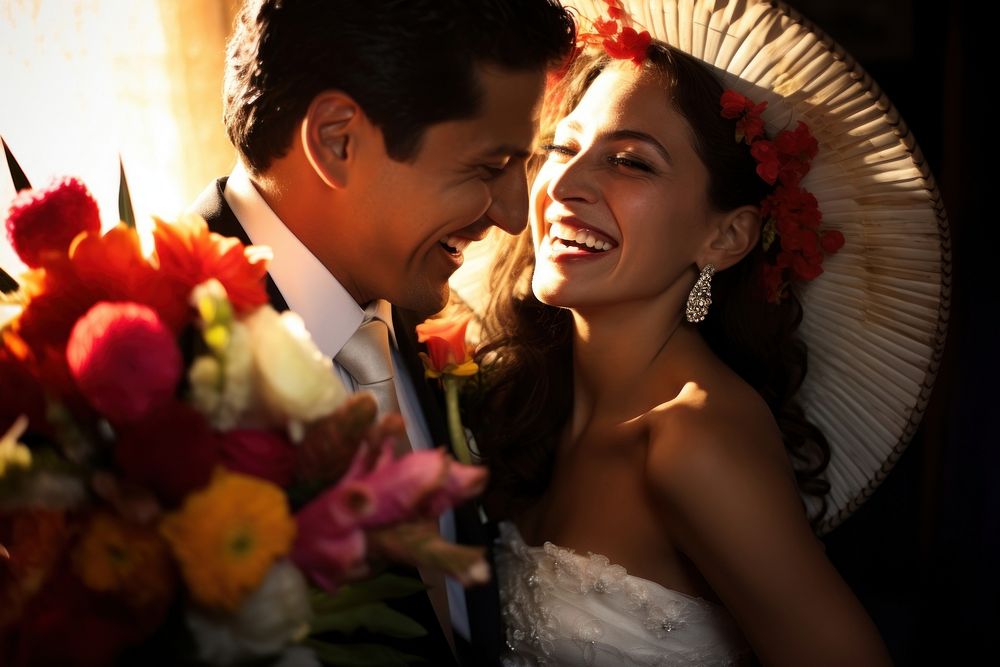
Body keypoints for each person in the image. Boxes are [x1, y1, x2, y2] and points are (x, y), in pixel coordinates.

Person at [472, 41, 894, 666]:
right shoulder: (527, 401)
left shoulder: (695, 440)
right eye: (563, 145)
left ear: (725, 237)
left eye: (630, 162)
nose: (564, 183)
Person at [189, 1, 576, 665]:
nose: (517, 215)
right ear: (338, 140)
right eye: (490, 165)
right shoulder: (162, 362)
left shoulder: (414, 309)